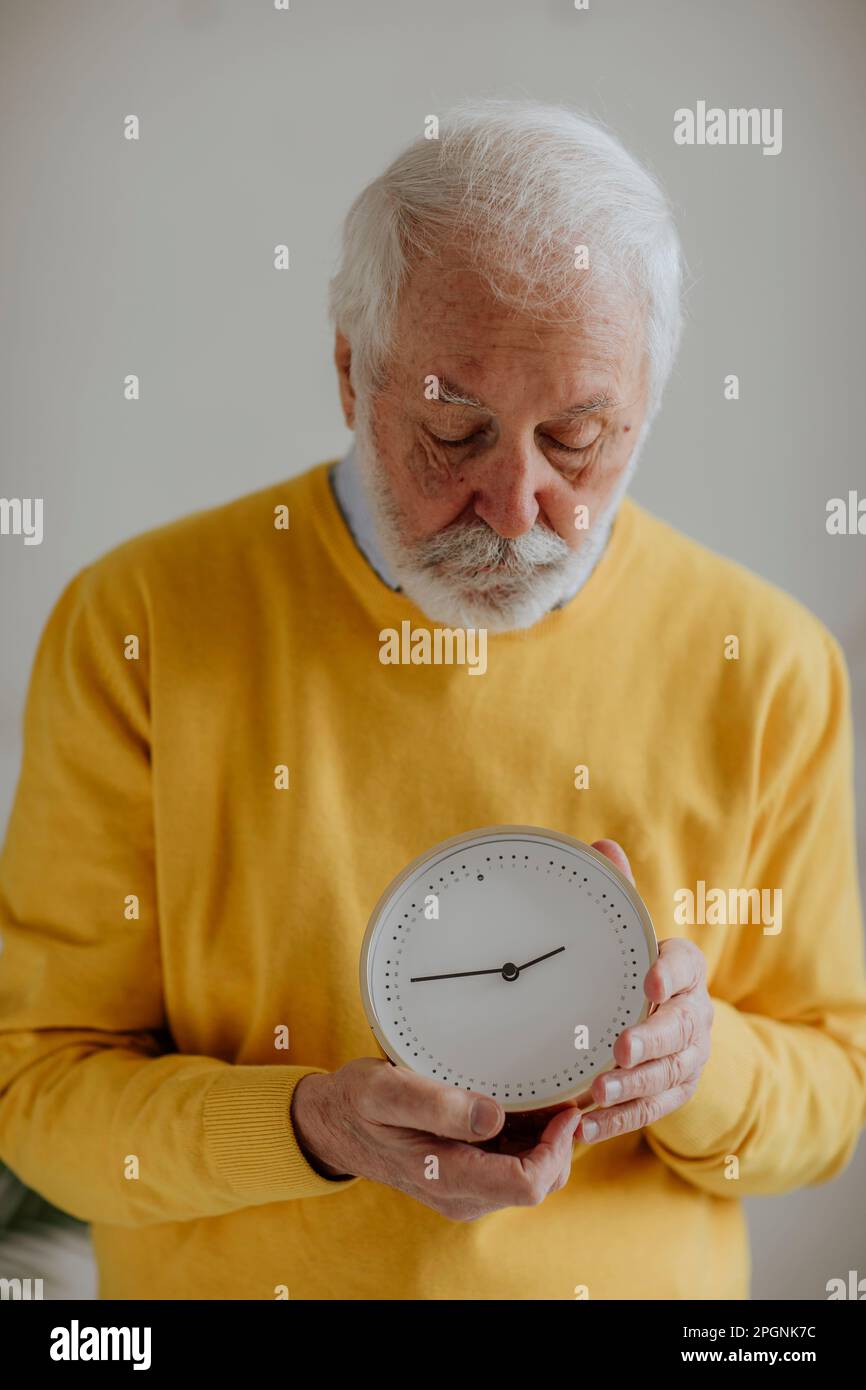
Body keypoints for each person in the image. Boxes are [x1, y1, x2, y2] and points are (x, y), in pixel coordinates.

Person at [1, 99, 864, 1301]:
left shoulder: (764, 661)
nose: (513, 509)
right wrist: (307, 1127)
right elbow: (37, 1091)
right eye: (453, 429)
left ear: (647, 410)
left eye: (575, 439)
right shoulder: (140, 622)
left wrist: (694, 1069)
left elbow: (830, 1098)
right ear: (350, 370)